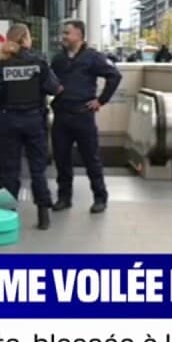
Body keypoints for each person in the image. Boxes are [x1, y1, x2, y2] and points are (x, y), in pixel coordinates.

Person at [0, 24, 62, 229]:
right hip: (34, 121)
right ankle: (43, 214)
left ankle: (8, 215)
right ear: (25, 39)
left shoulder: (1, 66)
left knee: (9, 170)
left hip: (7, 122)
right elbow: (54, 88)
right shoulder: (38, 63)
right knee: (38, 169)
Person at [50, 20, 122, 214]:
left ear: (79, 36)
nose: (63, 37)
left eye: (67, 33)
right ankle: (64, 198)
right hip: (62, 116)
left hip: (83, 116)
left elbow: (114, 76)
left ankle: (100, 198)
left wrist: (101, 100)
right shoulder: (58, 59)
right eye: (63, 33)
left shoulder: (93, 58)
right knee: (61, 159)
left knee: (91, 159)